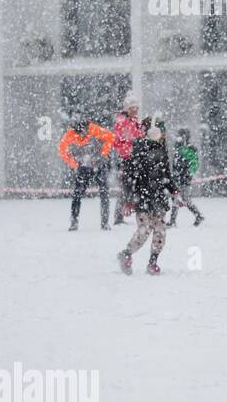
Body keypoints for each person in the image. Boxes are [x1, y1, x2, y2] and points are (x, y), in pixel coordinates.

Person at [117, 123, 180, 276]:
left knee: (146, 229)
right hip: (153, 198)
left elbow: (131, 178)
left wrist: (129, 199)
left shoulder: (139, 152)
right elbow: (166, 177)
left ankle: (129, 254)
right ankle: (151, 262)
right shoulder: (153, 152)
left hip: (145, 198)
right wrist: (174, 191)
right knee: (159, 231)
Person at [58, 118, 115, 230]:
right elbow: (62, 150)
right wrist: (74, 164)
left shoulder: (95, 129)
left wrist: (103, 154)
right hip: (83, 167)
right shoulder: (70, 134)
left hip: (99, 165)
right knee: (77, 194)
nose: (82, 136)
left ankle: (105, 222)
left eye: (84, 132)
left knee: (104, 193)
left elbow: (111, 137)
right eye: (79, 134)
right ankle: (74, 221)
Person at [111, 92, 145, 225]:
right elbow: (126, 138)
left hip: (135, 157)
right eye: (132, 108)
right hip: (127, 159)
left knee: (137, 186)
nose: (135, 110)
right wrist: (136, 140)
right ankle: (119, 216)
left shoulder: (134, 120)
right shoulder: (122, 122)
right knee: (126, 187)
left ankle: (137, 212)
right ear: (127, 108)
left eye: (137, 107)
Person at [168, 128, 205, 227]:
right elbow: (175, 164)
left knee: (182, 198)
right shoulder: (177, 148)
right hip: (177, 177)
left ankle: (173, 221)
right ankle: (197, 215)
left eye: (180, 136)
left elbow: (194, 163)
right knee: (181, 198)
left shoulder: (190, 149)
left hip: (184, 178)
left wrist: (189, 173)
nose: (177, 138)